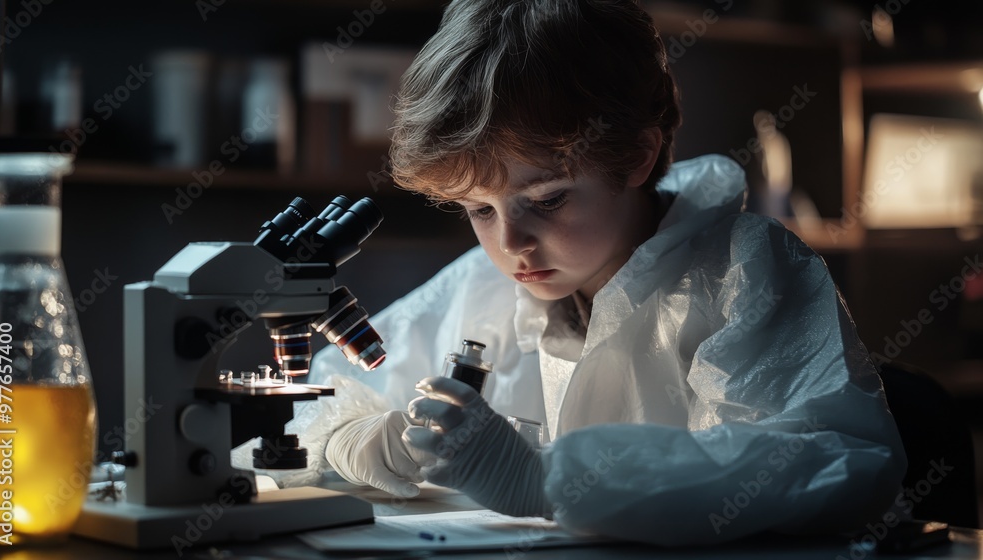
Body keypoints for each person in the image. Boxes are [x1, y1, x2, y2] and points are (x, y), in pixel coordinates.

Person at [245, 0, 907, 546]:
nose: (511, 244)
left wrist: (550, 479)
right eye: (478, 208)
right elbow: (324, 395)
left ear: (638, 155)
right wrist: (357, 440)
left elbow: (836, 460)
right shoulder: (484, 280)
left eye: (548, 199)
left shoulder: (743, 268)